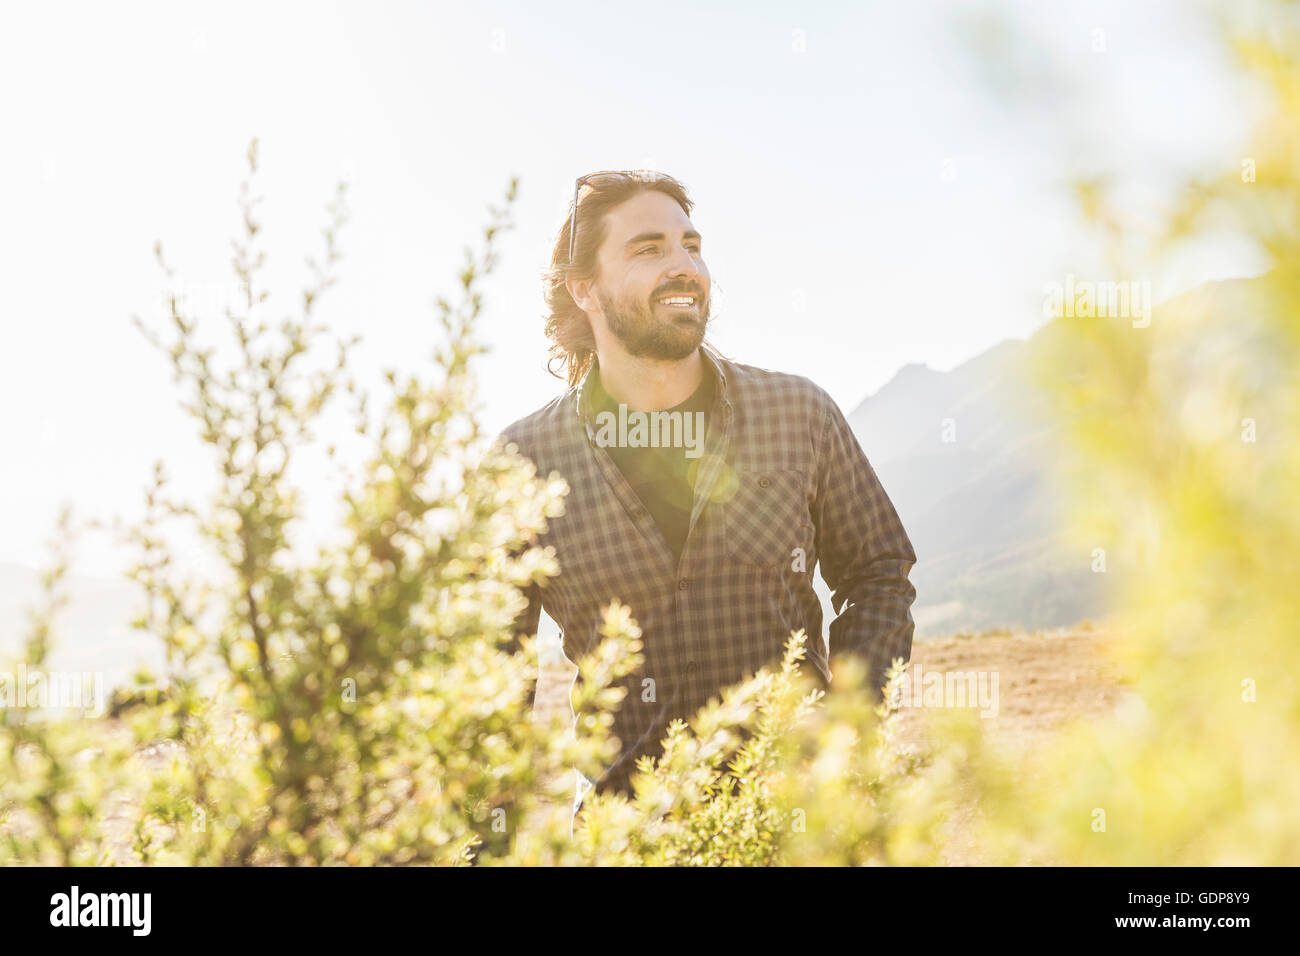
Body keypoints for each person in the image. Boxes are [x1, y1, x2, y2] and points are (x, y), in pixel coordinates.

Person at [495, 170, 917, 800]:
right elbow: (491, 664)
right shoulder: (524, 459)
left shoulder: (797, 413)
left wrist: (846, 733)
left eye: (690, 245)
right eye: (648, 249)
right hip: (632, 835)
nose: (683, 265)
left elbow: (878, 573)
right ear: (584, 288)